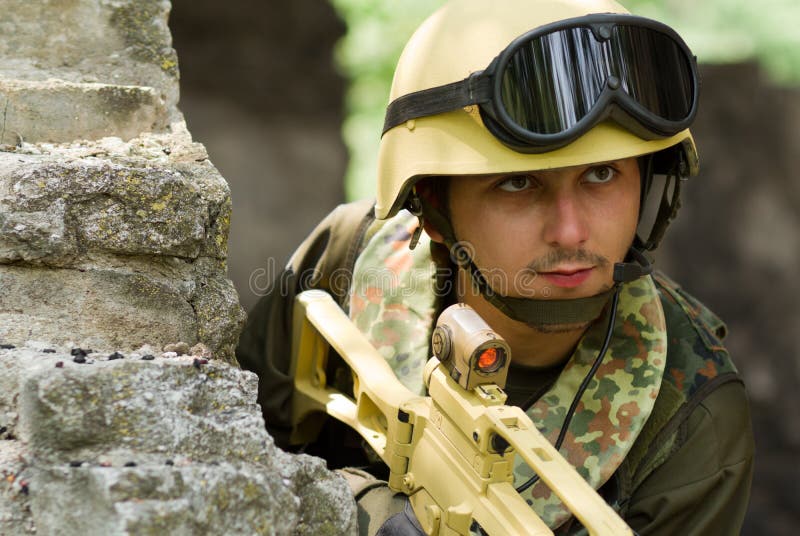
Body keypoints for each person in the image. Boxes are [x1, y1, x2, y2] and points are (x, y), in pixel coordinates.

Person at [236, 0, 755, 533]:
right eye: (518, 183)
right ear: (433, 206)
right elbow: (229, 453)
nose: (570, 231)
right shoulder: (346, 260)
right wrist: (359, 506)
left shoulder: (691, 418)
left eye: (601, 175)